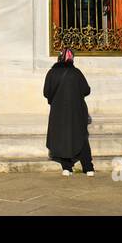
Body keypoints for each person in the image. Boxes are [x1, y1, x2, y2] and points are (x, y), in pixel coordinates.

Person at [44, 47, 94, 176]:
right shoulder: (76, 73)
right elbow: (86, 90)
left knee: (62, 137)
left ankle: (67, 168)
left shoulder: (52, 73)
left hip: (58, 111)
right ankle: (88, 168)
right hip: (77, 111)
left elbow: (46, 92)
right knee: (81, 138)